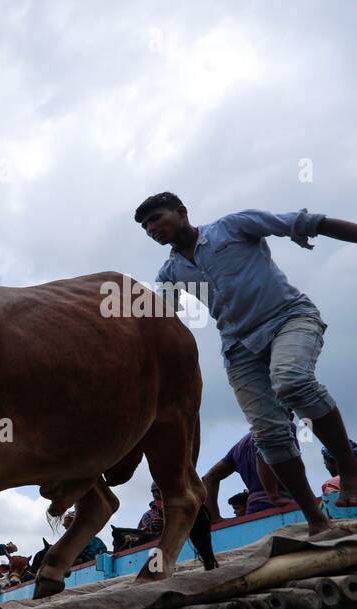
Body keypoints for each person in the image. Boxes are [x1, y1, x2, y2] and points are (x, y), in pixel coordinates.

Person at [137, 192, 357, 536]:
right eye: (146, 226)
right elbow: (164, 321)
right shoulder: (170, 273)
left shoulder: (233, 227)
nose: (152, 228)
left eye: (156, 218)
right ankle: (316, 520)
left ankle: (349, 469)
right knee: (267, 434)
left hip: (288, 318)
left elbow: (310, 223)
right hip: (239, 347)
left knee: (292, 381)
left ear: (181, 212)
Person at [202, 429, 291, 521]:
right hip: (282, 506)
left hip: (254, 508)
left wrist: (214, 519)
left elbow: (208, 478)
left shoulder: (239, 447)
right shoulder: (283, 428)